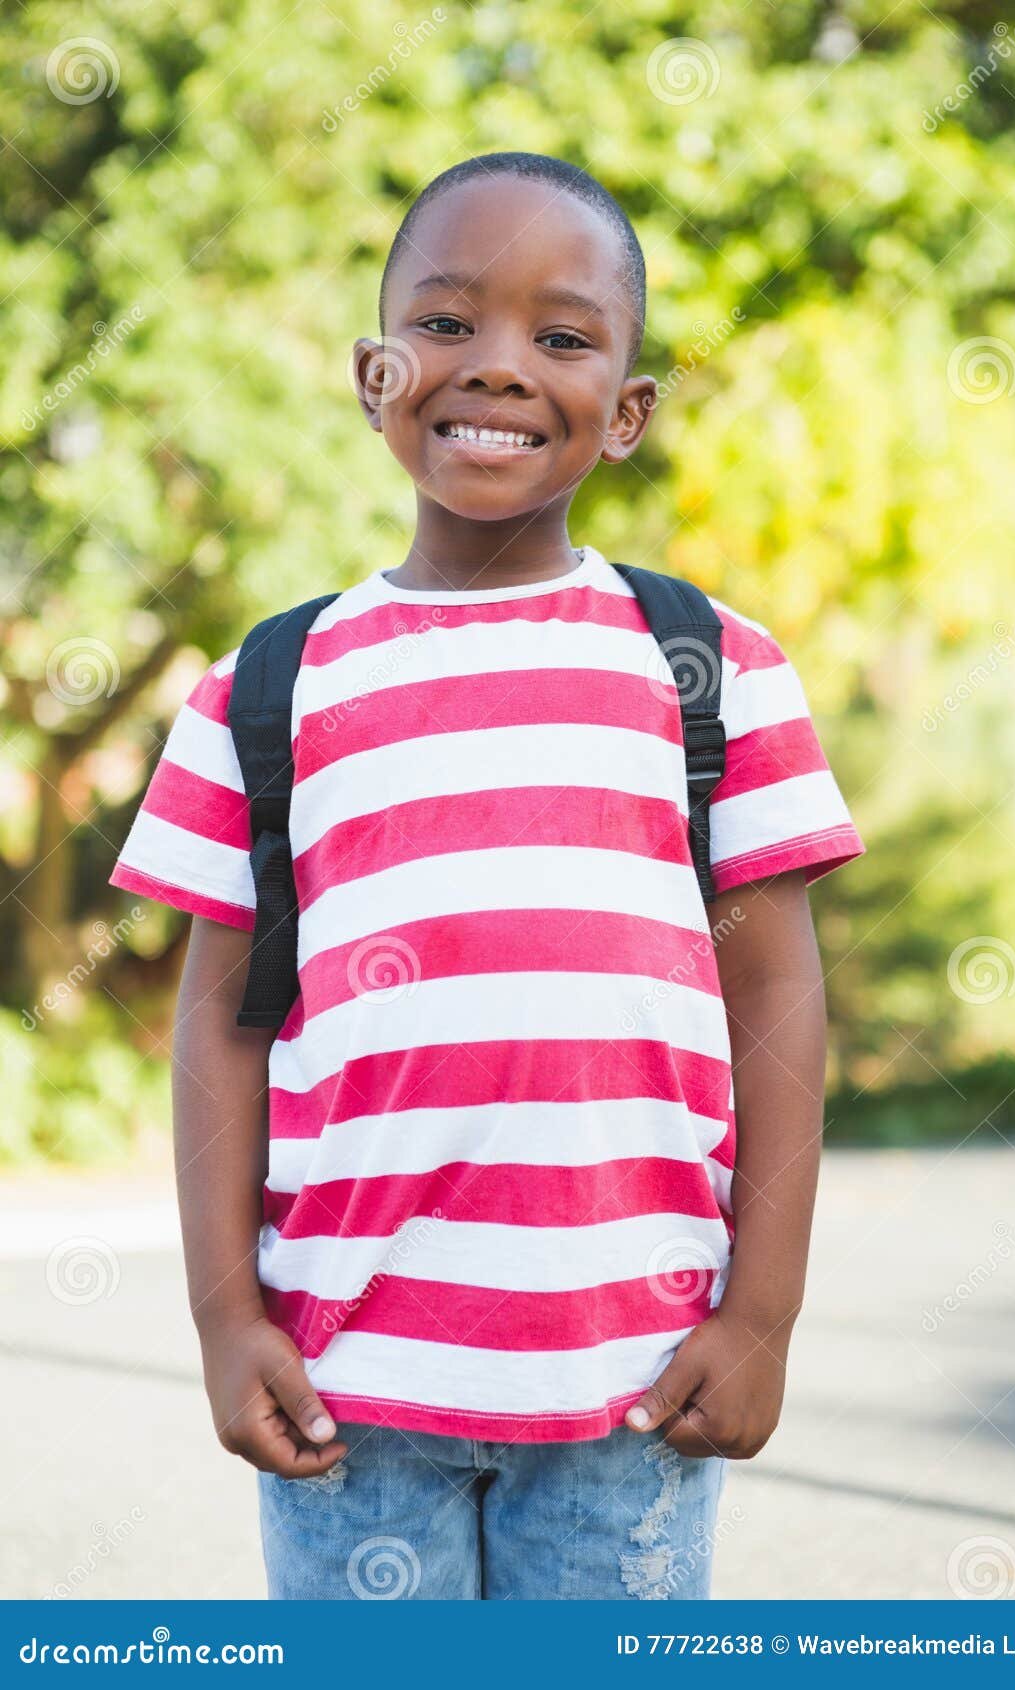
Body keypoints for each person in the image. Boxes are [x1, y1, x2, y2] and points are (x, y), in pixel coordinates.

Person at [110, 152, 864, 1601]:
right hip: (348, 1389)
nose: (500, 368)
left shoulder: (711, 667)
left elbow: (778, 999)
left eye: (563, 338)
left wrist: (761, 1315)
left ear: (629, 410)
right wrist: (223, 1317)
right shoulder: (266, 688)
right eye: (448, 324)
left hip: (628, 1389)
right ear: (374, 369)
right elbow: (219, 1025)